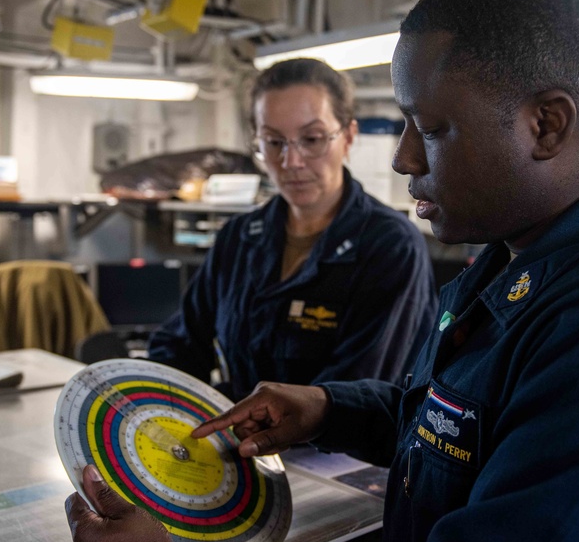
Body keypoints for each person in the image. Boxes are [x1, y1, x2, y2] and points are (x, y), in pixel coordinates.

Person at [66, 0, 579, 542]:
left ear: (544, 124)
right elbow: (446, 420)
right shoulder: (514, 257)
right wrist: (327, 408)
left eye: (429, 128)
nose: (400, 157)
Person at [147, 57, 438, 402]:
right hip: (241, 442)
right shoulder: (239, 238)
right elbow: (181, 343)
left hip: (339, 453)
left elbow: (361, 391)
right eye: (273, 142)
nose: (292, 162)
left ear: (348, 137)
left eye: (312, 139)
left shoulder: (390, 247)